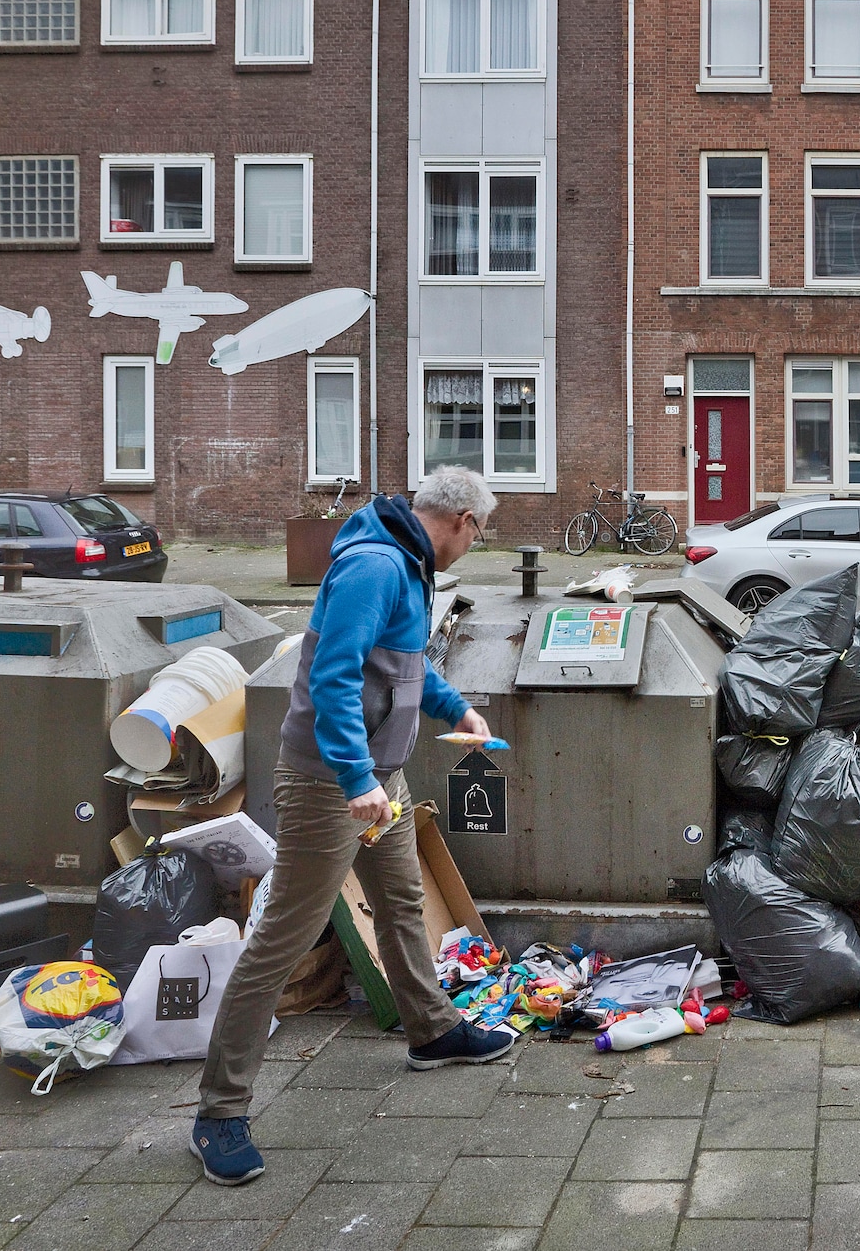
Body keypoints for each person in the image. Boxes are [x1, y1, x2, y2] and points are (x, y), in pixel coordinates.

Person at [191, 465, 513, 1186]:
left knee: (400, 901)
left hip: (379, 778)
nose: (474, 544)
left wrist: (455, 707)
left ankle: (431, 1030)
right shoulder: (375, 566)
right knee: (281, 941)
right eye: (479, 533)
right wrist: (355, 777)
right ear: (461, 520)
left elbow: (401, 669)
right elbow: (334, 675)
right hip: (329, 784)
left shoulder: (404, 560)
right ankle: (218, 1110)